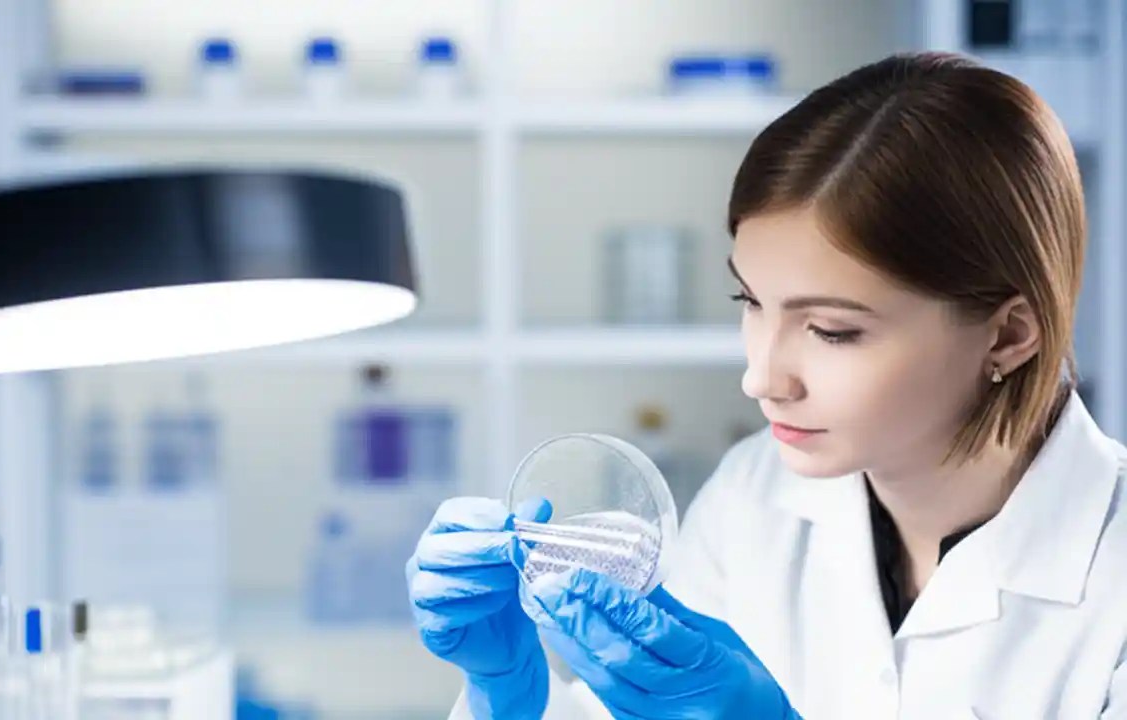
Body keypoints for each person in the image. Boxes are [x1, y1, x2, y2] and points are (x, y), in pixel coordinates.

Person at [405, 51, 1127, 719]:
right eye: (750, 303)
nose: (760, 377)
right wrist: (508, 696)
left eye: (833, 331)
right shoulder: (755, 497)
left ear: (1008, 334)